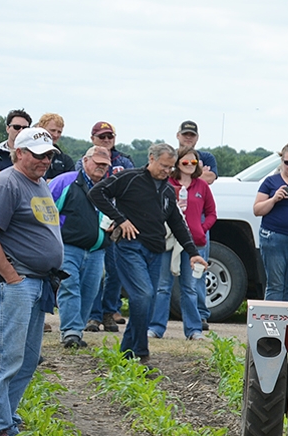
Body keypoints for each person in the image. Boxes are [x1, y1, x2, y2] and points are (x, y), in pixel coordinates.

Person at [0, 128, 63, 436]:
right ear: (19, 153)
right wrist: (11, 277)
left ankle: (5, 422)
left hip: (37, 283)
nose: (45, 160)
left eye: (49, 155)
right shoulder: (5, 184)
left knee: (26, 361)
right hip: (15, 285)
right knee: (5, 359)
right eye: (39, 155)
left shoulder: (39, 183)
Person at [89, 144, 206, 361]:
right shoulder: (129, 178)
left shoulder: (167, 190)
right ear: (151, 158)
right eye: (163, 166)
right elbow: (97, 192)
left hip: (155, 250)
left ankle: (127, 354)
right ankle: (141, 353)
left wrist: (193, 252)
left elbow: (177, 223)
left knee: (147, 303)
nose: (167, 171)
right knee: (143, 295)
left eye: (171, 168)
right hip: (130, 246)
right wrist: (120, 219)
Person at [48, 146, 113, 349]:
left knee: (89, 291)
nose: (101, 167)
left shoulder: (109, 188)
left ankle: (76, 330)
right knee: (70, 287)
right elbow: (46, 210)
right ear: (85, 160)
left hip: (97, 250)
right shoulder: (65, 181)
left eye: (105, 165)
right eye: (97, 162)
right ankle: (71, 332)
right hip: (68, 247)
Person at [150, 148, 216, 340]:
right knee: (163, 286)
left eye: (193, 162)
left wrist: (201, 229)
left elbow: (212, 213)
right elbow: (154, 209)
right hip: (169, 241)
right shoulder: (167, 184)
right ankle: (155, 328)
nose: (189, 165)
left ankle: (194, 330)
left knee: (190, 287)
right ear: (177, 163)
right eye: (185, 162)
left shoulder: (202, 186)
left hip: (193, 243)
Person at [89, 121, 136, 333]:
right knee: (94, 272)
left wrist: (121, 218)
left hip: (117, 222)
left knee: (115, 271)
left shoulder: (124, 162)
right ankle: (93, 314)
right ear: (93, 139)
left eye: (110, 136)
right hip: (93, 222)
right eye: (102, 137)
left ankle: (109, 311)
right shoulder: (86, 160)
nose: (106, 140)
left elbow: (132, 191)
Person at [252, 143, 288, 302]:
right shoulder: (271, 181)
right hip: (274, 236)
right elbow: (257, 210)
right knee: (275, 284)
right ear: (282, 162)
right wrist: (274, 199)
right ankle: (273, 316)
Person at [35, 113, 73, 180]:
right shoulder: (29, 154)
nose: (56, 135)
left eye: (59, 132)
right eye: (52, 130)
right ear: (41, 129)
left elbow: (71, 182)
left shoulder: (66, 160)